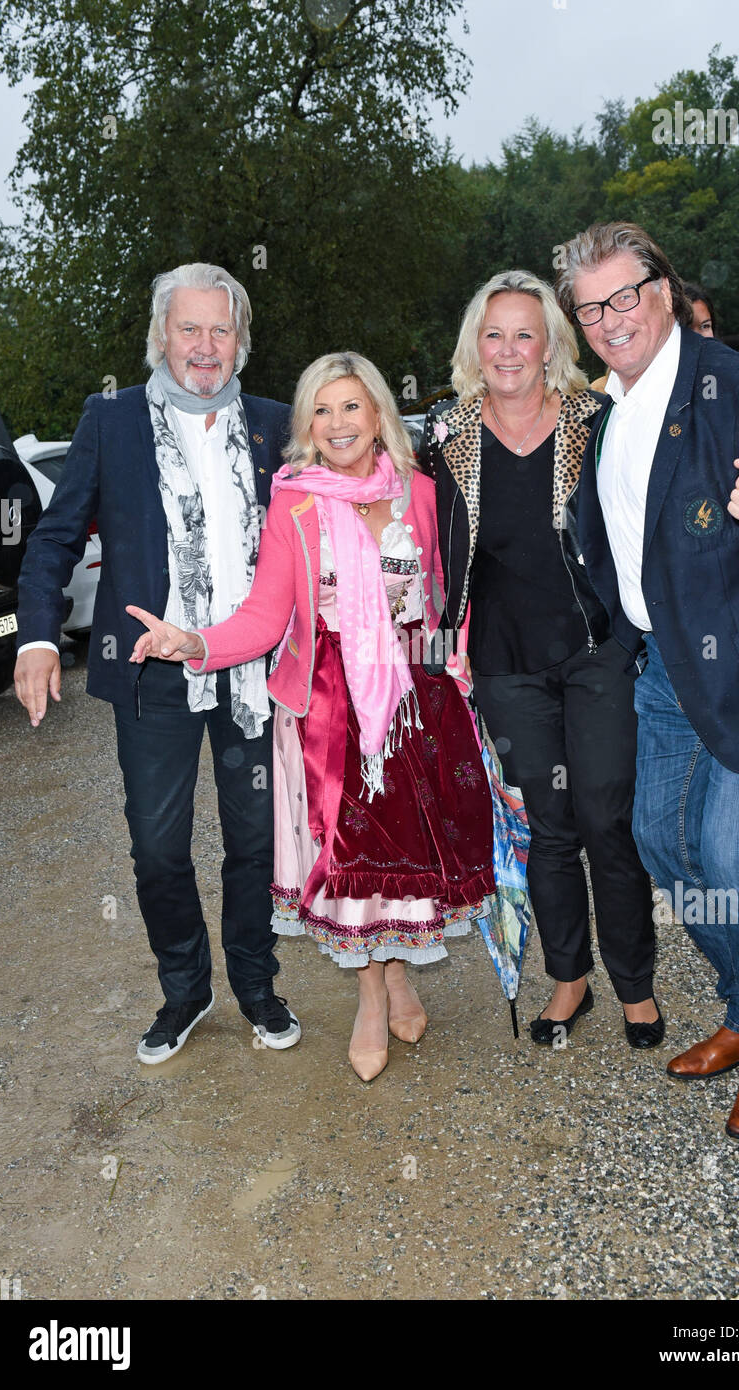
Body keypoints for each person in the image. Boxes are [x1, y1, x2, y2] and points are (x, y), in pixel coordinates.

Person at [127, 351, 495, 1082]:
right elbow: (266, 617)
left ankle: (396, 972)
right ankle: (370, 992)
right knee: (354, 859)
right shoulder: (294, 502)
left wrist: (459, 663)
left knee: (414, 855)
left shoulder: (421, 490)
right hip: (328, 703)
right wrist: (193, 641)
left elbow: (452, 589)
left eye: (351, 407)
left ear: (379, 414)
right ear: (305, 426)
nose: (336, 424)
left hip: (417, 694)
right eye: (321, 411)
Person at [557, 221, 739, 1140]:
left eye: (624, 296)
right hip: (663, 669)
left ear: (663, 291)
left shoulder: (728, 384)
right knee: (660, 842)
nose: (610, 319)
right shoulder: (603, 411)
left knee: (728, 856)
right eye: (589, 306)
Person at [14, 263, 301, 1064]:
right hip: (151, 674)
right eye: (189, 328)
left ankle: (253, 982)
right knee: (157, 848)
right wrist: (38, 636)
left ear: (241, 341)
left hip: (251, 671)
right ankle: (186, 988)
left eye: (221, 329)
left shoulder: (277, 426)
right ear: (160, 336)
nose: (205, 347)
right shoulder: (110, 421)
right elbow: (55, 536)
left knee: (254, 844)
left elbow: (327, 536)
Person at [419, 269, 661, 1049]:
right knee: (550, 827)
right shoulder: (446, 438)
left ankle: (635, 984)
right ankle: (569, 983)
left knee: (605, 818)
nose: (509, 349)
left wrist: (630, 637)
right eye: (494, 334)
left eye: (526, 332)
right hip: (504, 665)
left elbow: (641, 524)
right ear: (473, 348)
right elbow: (415, 542)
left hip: (597, 652)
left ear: (551, 344)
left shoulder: (597, 420)